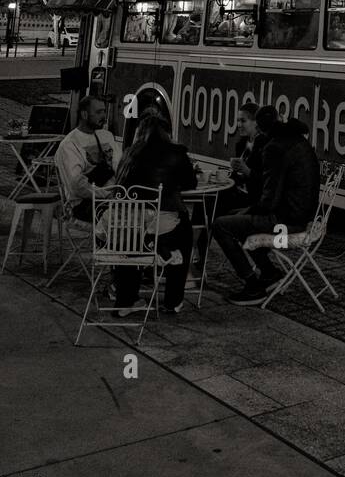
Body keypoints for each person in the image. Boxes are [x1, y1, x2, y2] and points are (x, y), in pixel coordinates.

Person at [212, 107, 321, 305]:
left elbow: (269, 200)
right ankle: (269, 273)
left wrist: (248, 210)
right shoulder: (299, 140)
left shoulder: (274, 148)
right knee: (240, 219)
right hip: (305, 218)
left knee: (220, 225)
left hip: (286, 225)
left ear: (261, 128)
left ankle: (253, 286)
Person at [112, 110, 197, 316]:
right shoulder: (176, 153)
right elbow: (190, 183)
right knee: (185, 230)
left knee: (134, 239)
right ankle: (173, 300)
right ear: (167, 132)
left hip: (125, 227)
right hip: (158, 224)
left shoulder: (129, 153)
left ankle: (126, 300)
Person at [193, 103, 266, 269]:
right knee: (203, 202)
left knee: (209, 206)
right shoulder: (241, 144)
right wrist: (230, 175)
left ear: (256, 122)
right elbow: (237, 177)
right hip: (237, 193)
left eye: (243, 120)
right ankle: (198, 253)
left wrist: (246, 171)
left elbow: (266, 181)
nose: (239, 125)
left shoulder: (265, 146)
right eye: (238, 120)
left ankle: (198, 255)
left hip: (253, 199)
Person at [55, 96, 122, 221]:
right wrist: (107, 195)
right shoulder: (69, 145)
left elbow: (120, 166)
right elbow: (77, 186)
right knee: (121, 219)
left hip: (113, 198)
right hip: (84, 204)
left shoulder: (106, 136)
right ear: (84, 114)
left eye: (104, 111)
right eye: (98, 112)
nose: (103, 116)